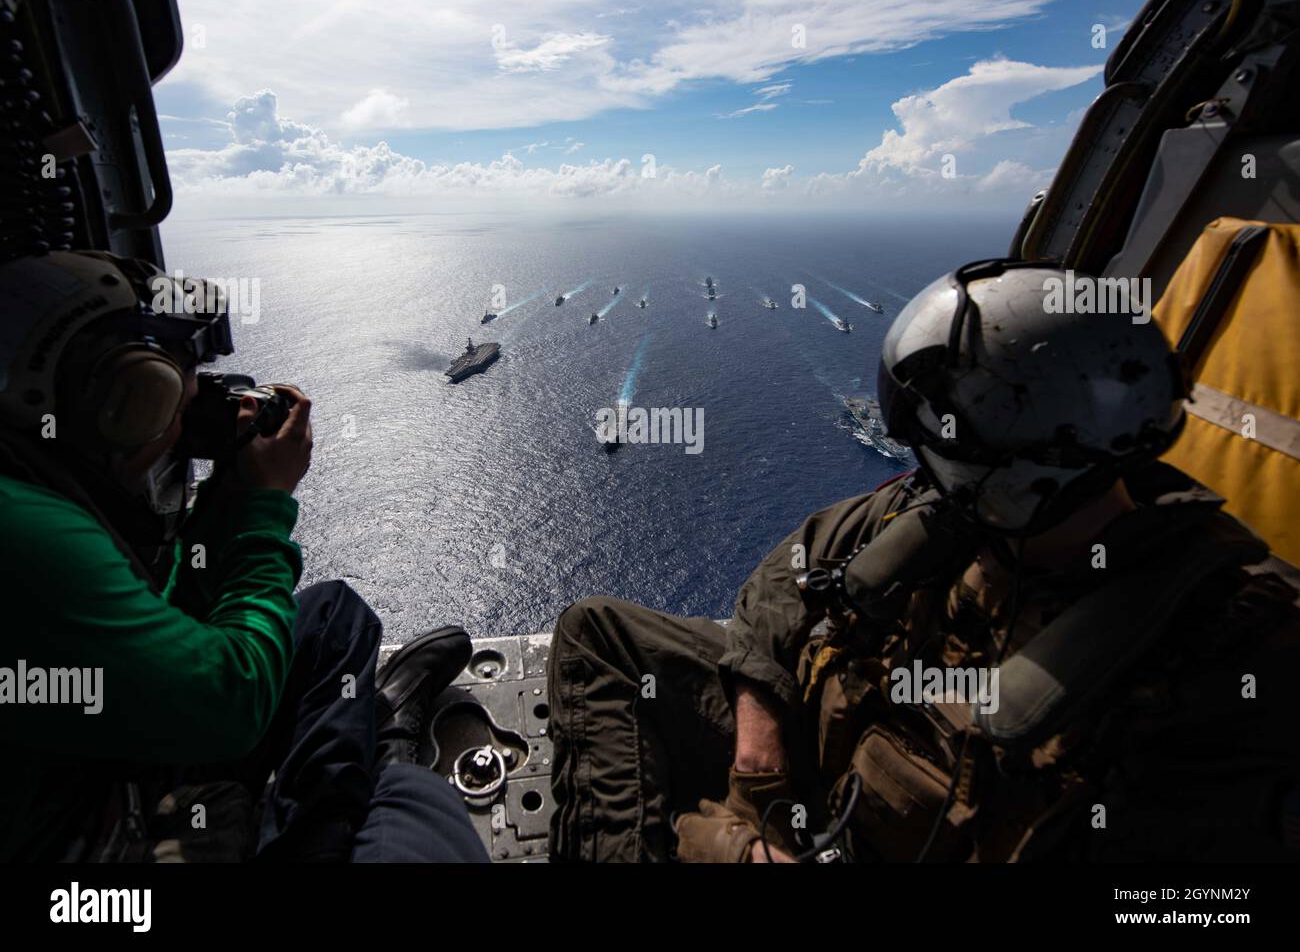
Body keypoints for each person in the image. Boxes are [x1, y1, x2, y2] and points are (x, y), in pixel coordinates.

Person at [547, 259, 1300, 862]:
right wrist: (759, 764)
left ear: (1013, 469)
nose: (926, 471)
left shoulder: (1235, 658)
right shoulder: (967, 510)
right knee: (597, 631)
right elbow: (788, 574)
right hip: (828, 764)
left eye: (944, 451)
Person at [0, 250, 486, 862]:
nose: (182, 425)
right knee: (419, 807)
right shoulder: (28, 535)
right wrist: (261, 506)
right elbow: (234, 701)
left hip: (92, 752)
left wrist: (220, 506)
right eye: (167, 396)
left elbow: (163, 621)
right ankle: (347, 804)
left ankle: (356, 754)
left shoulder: (36, 487)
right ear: (123, 399)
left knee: (335, 615)